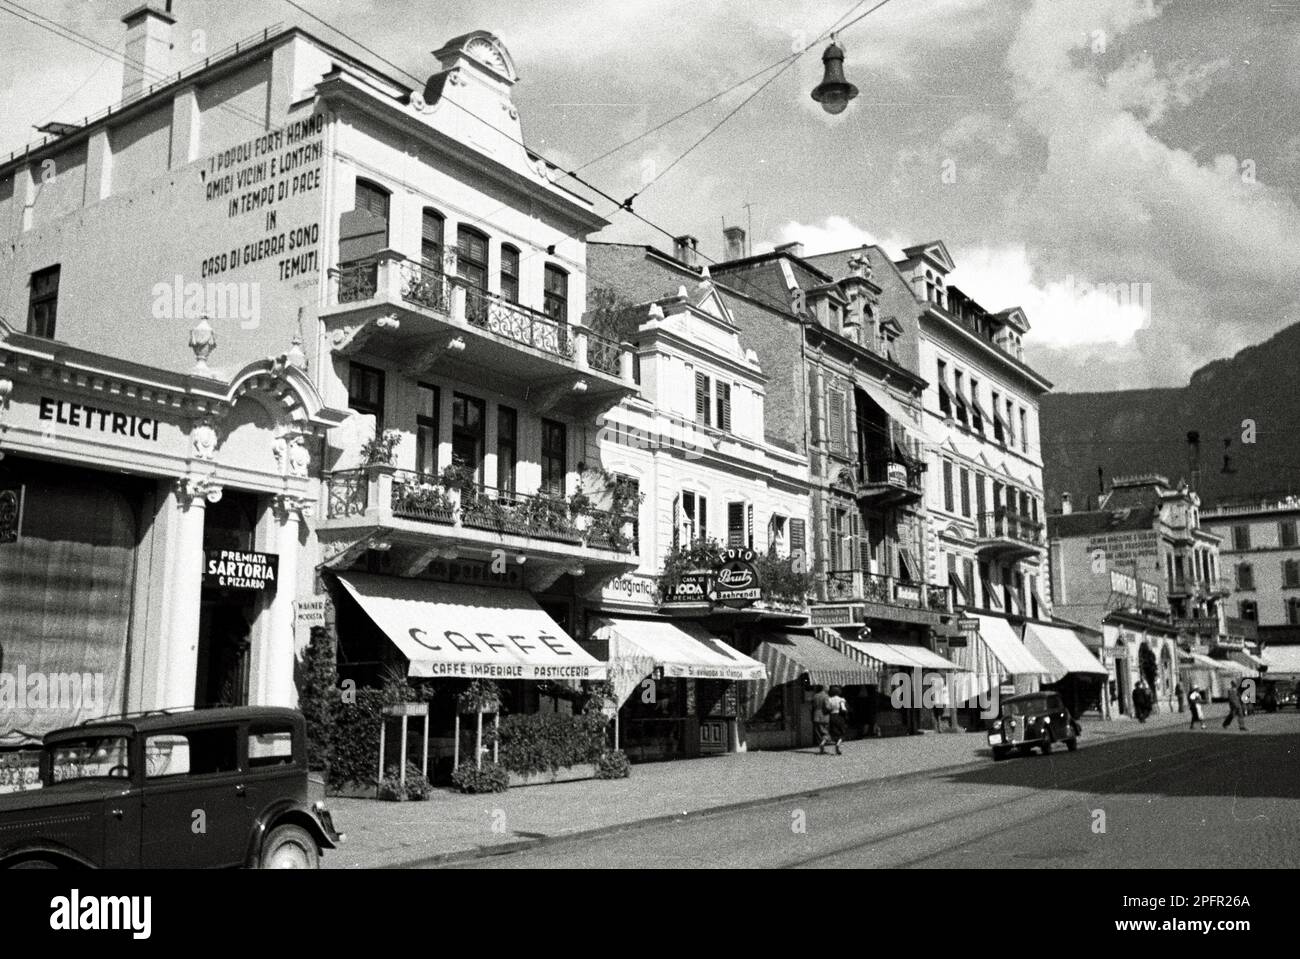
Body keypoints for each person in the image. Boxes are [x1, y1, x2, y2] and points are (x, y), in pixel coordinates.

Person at [826, 685, 849, 755]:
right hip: (839, 716)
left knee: (834, 731)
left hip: (832, 716)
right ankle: (838, 743)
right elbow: (843, 709)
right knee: (842, 732)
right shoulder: (841, 699)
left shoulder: (829, 699)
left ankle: (836, 742)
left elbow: (828, 708)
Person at [811, 684, 831, 754]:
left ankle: (821, 749)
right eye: (828, 687)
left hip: (816, 716)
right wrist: (831, 709)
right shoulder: (826, 696)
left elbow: (812, 706)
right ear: (825, 688)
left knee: (818, 733)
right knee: (825, 732)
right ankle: (823, 743)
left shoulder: (815, 696)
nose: (829, 688)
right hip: (824, 716)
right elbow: (827, 707)